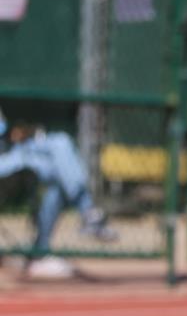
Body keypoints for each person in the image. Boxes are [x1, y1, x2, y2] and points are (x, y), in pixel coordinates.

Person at [0, 111, 118, 279]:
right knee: (59, 173)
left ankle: (86, 216)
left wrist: (22, 132)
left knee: (61, 142)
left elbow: (5, 131)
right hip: (6, 160)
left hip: (13, 149)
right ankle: (86, 211)